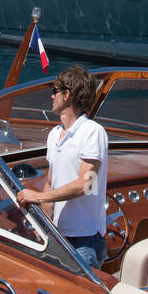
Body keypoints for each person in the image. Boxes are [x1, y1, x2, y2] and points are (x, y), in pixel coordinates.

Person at [16, 65, 108, 270]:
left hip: (84, 241)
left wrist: (36, 197)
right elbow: (51, 182)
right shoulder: (53, 135)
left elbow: (86, 184)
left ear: (66, 95)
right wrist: (44, 227)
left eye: (54, 92)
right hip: (58, 236)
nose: (51, 97)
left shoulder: (92, 132)